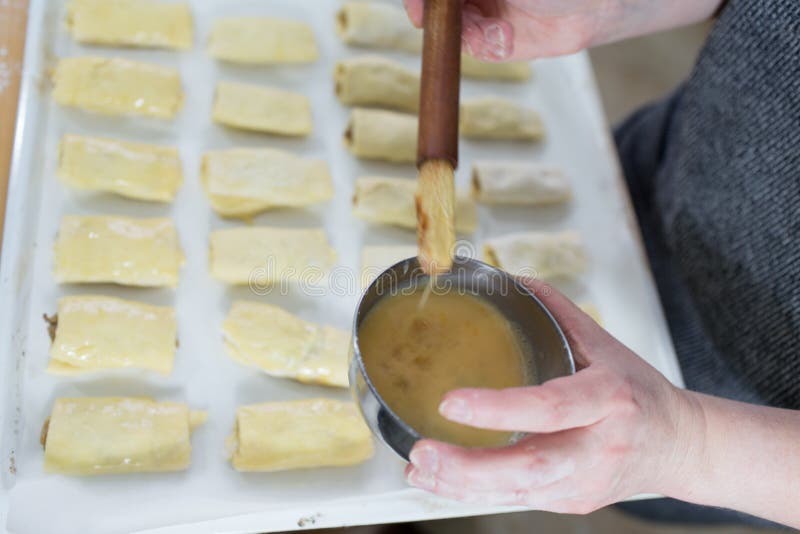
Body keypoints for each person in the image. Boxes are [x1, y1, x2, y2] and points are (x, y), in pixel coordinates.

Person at [401, 0, 800, 528]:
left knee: (593, 464)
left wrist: (690, 443)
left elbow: (679, 444)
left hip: (744, 417)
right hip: (667, 167)